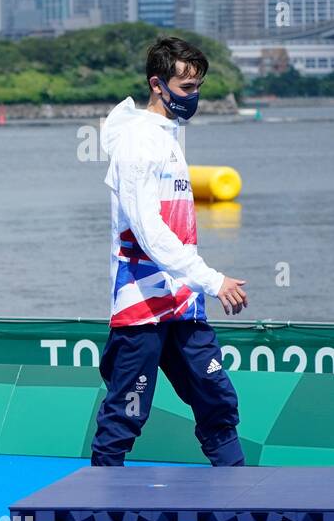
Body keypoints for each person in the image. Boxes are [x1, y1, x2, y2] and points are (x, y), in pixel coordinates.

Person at [91, 36, 249, 467]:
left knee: (216, 400)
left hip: (183, 302)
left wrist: (196, 285)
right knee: (126, 413)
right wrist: (214, 280)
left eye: (198, 87)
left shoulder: (169, 137)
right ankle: (100, 507)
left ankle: (239, 495)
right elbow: (148, 230)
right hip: (141, 304)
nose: (193, 96)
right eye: (186, 88)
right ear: (157, 85)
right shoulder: (139, 142)